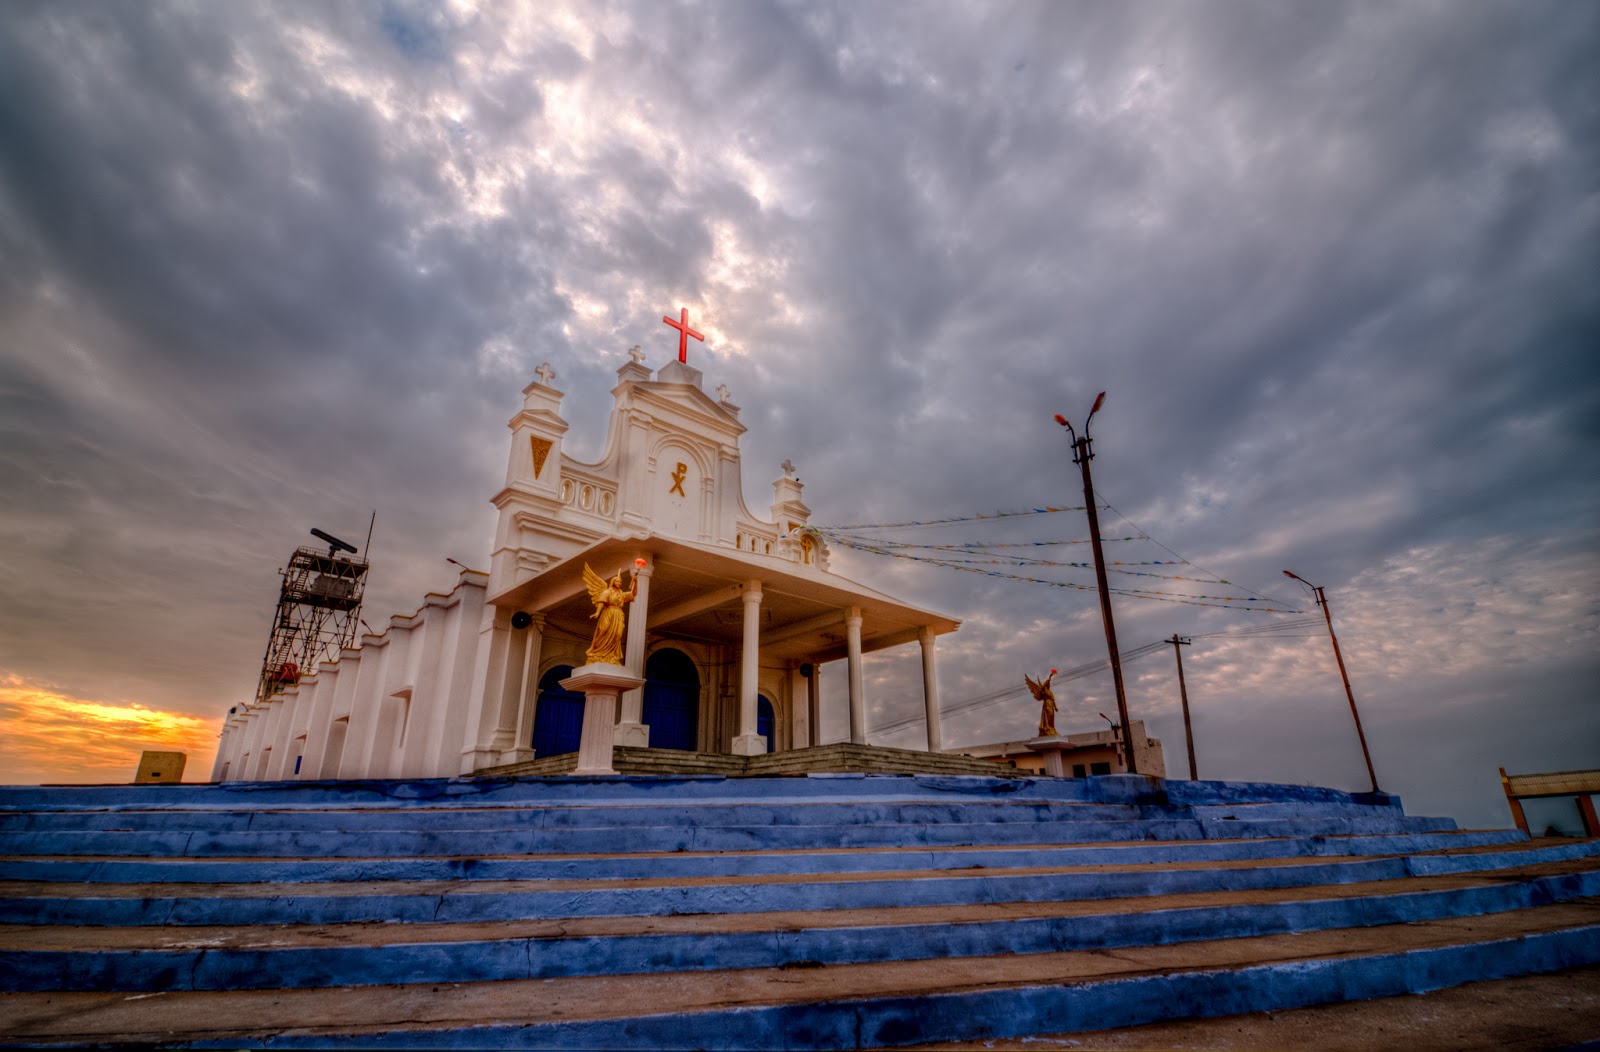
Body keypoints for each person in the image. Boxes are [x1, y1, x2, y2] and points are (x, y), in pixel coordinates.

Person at [583, 565, 637, 665]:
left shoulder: (622, 594)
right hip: (608, 613)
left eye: (620, 582)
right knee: (603, 630)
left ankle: (612, 656)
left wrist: (635, 581)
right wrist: (597, 613)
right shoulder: (607, 591)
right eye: (617, 581)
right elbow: (602, 602)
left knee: (618, 635)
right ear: (613, 582)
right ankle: (597, 652)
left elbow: (633, 594)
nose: (619, 583)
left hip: (618, 615)